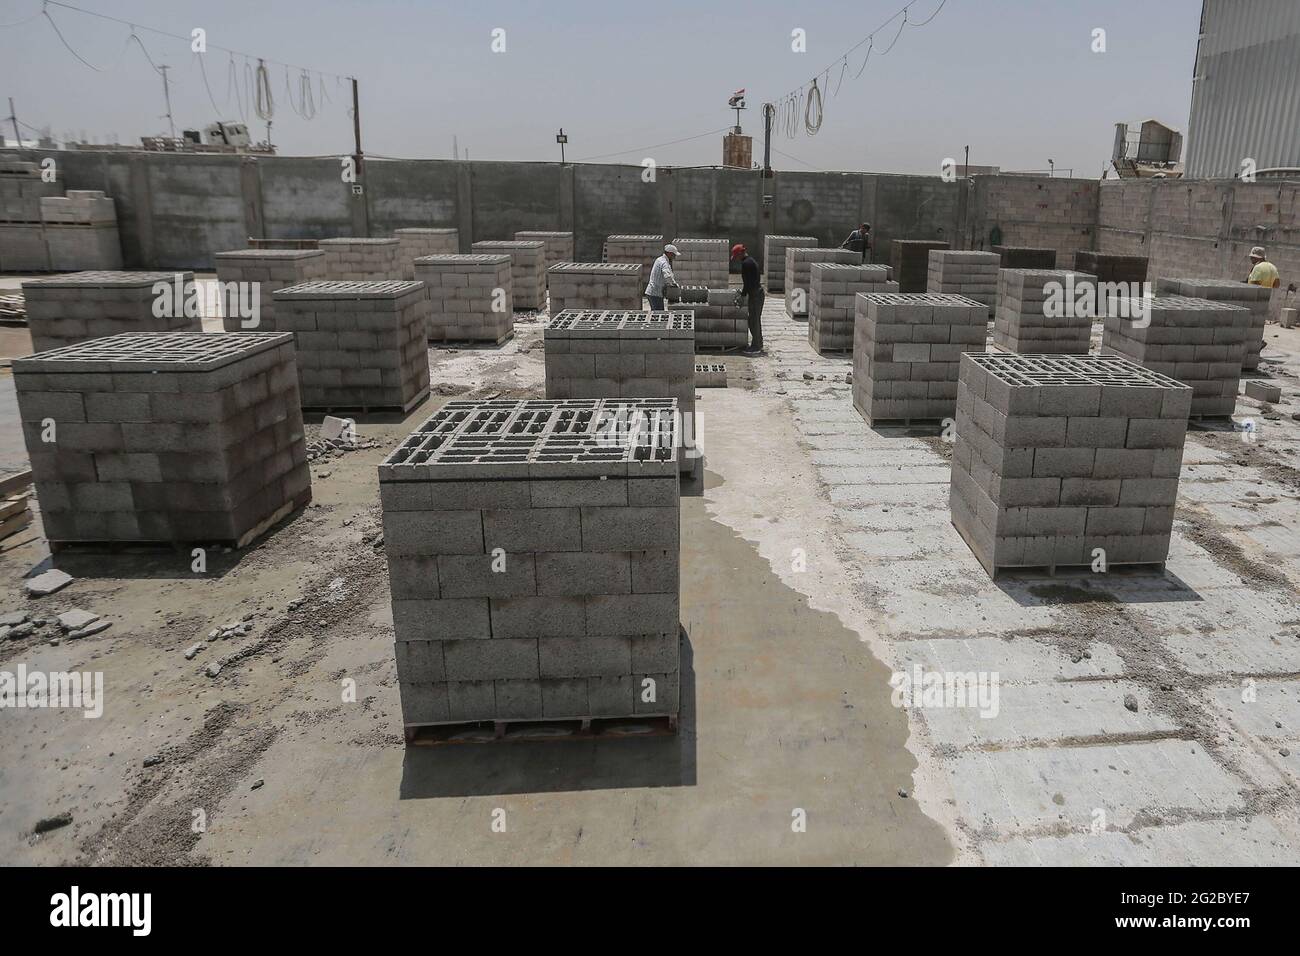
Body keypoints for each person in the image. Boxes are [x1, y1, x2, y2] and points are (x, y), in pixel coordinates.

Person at [731, 243, 764, 354]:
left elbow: (748, 283)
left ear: (741, 253)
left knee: (754, 321)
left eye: (736, 256)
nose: (736, 259)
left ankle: (756, 347)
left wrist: (743, 295)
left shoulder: (746, 264)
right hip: (756, 293)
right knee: (754, 320)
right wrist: (744, 293)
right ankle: (758, 343)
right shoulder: (751, 261)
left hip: (755, 295)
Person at [645, 244, 680, 310]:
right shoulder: (664, 263)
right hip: (655, 293)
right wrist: (674, 285)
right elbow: (667, 276)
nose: (675, 257)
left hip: (653, 292)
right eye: (674, 255)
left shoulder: (659, 259)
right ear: (669, 253)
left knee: (656, 315)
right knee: (658, 315)